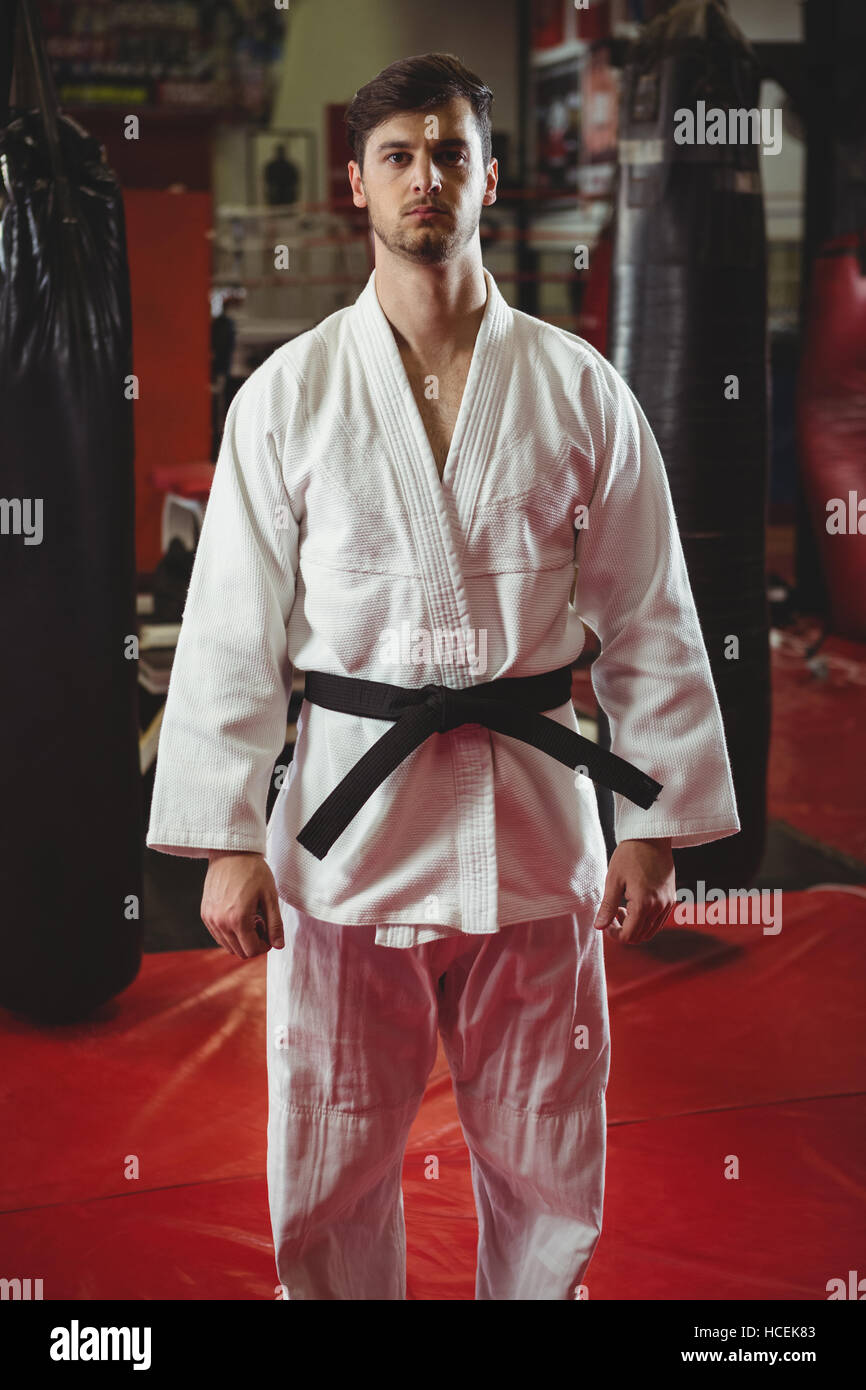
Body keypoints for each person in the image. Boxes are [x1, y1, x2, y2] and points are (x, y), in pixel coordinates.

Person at [146, 53, 740, 1300]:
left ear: (487, 174)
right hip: (347, 834)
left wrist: (654, 823)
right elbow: (230, 628)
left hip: (532, 823)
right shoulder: (289, 396)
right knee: (331, 1144)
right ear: (356, 184)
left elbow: (647, 612)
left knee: (544, 1139)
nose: (428, 178)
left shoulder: (579, 387)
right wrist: (226, 836)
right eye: (401, 157)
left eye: (451, 153)